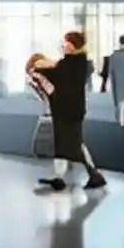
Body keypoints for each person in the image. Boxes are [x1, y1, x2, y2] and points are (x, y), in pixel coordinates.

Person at [29, 31, 107, 191]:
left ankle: (94, 174)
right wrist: (45, 65)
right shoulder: (76, 62)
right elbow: (57, 69)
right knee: (62, 145)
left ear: (72, 44)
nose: (63, 45)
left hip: (69, 111)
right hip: (65, 110)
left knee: (75, 144)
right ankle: (59, 178)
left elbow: (57, 74)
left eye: (66, 42)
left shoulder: (75, 64)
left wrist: (41, 67)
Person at [101, 35, 124, 119]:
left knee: (118, 98)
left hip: (117, 80)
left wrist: (109, 79)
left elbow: (110, 70)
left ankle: (119, 115)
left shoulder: (114, 55)